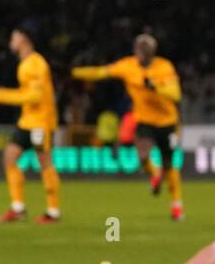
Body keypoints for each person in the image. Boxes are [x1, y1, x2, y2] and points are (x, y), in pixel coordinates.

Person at [73, 34, 185, 220]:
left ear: (151, 54)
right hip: (144, 120)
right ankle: (155, 175)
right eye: (138, 50)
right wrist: (75, 73)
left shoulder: (164, 67)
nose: (139, 54)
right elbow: (102, 72)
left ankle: (176, 205)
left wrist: (155, 87)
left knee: (169, 166)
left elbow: (175, 94)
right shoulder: (128, 65)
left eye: (143, 51)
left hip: (167, 122)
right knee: (142, 157)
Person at [0, 26, 60, 223]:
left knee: (44, 162)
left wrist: (0, 94)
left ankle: (53, 211)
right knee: (9, 157)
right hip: (27, 121)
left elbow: (35, 96)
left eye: (14, 36)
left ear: (24, 39)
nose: (11, 40)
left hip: (40, 123)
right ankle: (18, 207)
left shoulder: (35, 64)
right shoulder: (26, 63)